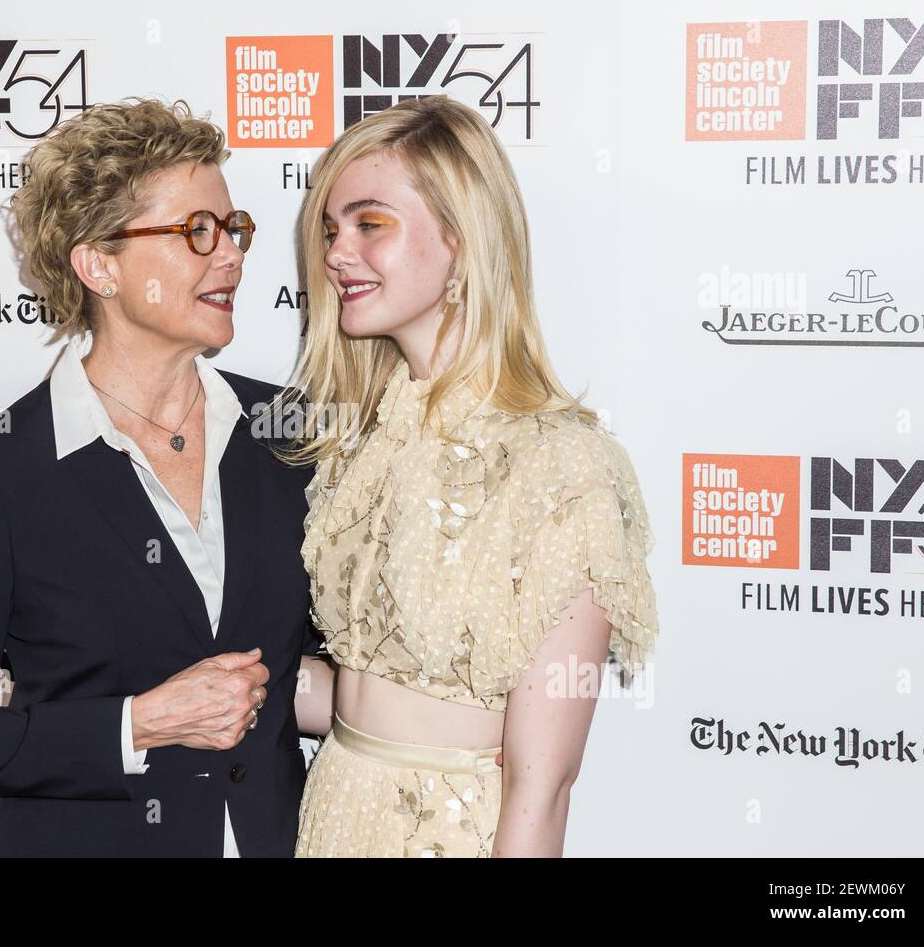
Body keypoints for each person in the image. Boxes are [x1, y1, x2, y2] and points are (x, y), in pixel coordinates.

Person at [0, 98, 329, 857]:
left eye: (234, 229)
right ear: (98, 264)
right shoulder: (0, 472)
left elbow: (316, 670)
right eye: (196, 232)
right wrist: (142, 721)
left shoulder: (287, 433)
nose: (231, 256)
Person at [281, 95, 661, 857]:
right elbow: (362, 697)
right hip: (335, 809)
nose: (335, 254)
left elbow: (542, 783)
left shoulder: (563, 466)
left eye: (369, 223)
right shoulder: (363, 440)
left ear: (460, 238)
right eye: (330, 229)